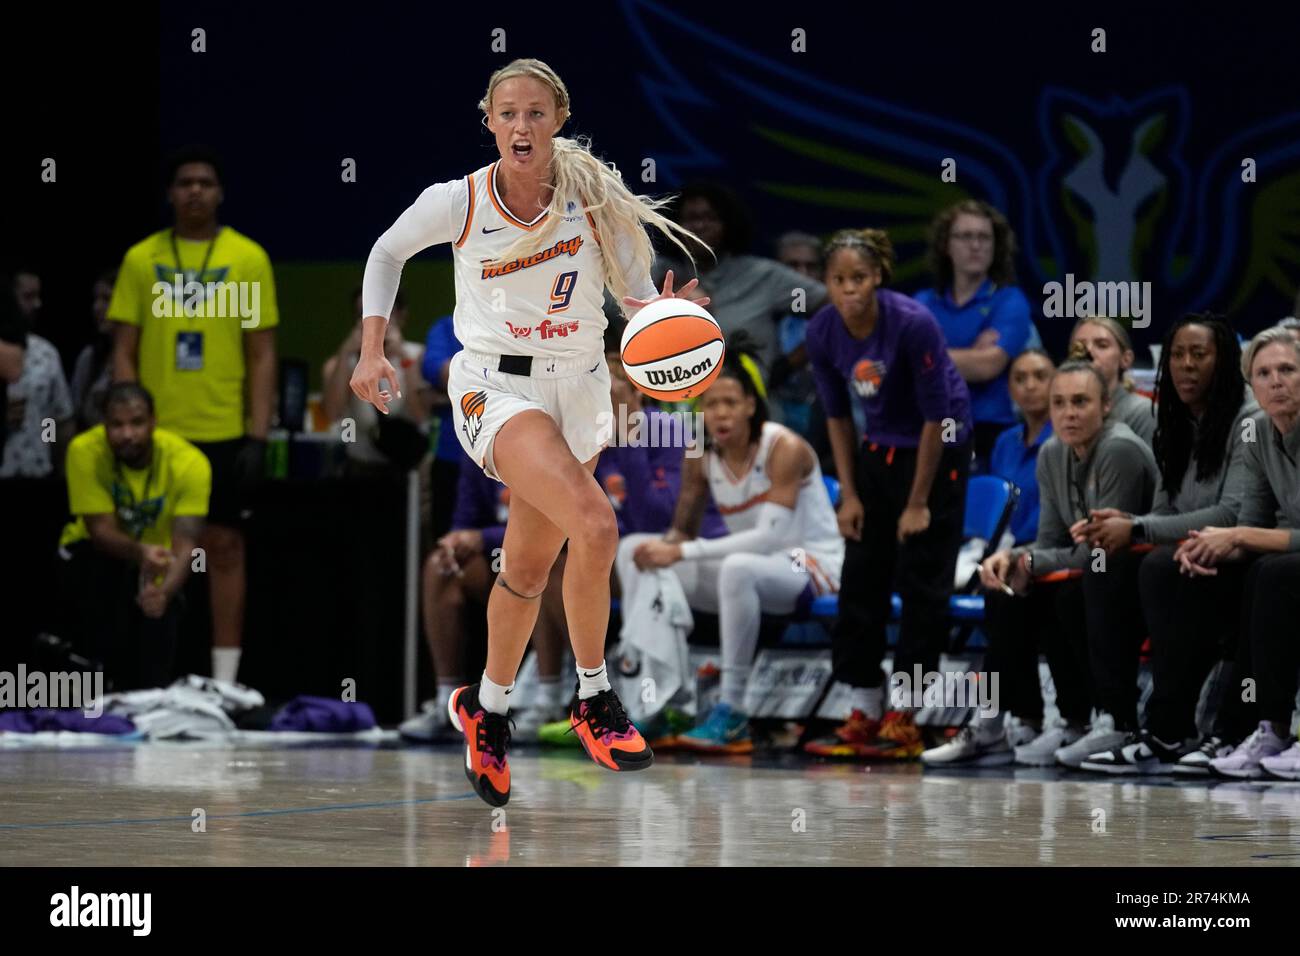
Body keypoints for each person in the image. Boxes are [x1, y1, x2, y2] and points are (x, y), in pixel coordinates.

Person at [352, 57, 709, 807]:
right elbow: (386, 253)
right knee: (596, 522)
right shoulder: (459, 201)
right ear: (488, 120)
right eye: (508, 112)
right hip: (495, 384)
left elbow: (635, 295)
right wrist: (373, 348)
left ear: (559, 119)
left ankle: (487, 708)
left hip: (577, 386)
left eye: (536, 113)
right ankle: (594, 695)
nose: (522, 125)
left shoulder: (597, 203)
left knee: (525, 572)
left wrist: (664, 318)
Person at [921, 361, 1157, 767]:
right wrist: (1013, 559)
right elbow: (1050, 539)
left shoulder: (1119, 448)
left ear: (1105, 406)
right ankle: (1001, 722)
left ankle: (1104, 718)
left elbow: (1106, 547)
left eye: (1081, 402)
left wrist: (1029, 559)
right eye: (1060, 404)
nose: (1069, 413)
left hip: (1131, 570)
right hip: (1082, 566)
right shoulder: (1052, 452)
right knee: (1005, 593)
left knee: (1064, 592)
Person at [109, 145, 279, 685]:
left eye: (205, 182)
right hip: (157, 434)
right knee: (148, 548)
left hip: (224, 430)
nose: (195, 191)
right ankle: (141, 678)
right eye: (184, 182)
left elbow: (262, 354)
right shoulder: (141, 259)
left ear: (220, 192)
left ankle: (224, 683)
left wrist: (257, 435)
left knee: (224, 548)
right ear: (170, 193)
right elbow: (123, 350)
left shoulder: (247, 258)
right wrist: (125, 426)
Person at [622, 343, 843, 753]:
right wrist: (659, 551)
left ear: (751, 407)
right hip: (748, 571)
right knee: (637, 549)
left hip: (811, 566)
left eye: (730, 403)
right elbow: (679, 533)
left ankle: (733, 710)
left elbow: (771, 539)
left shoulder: (784, 448)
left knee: (736, 566)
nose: (720, 413)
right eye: (710, 404)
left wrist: (682, 553)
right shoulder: (701, 457)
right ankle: (662, 700)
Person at [802, 228, 973, 760]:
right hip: (879, 451)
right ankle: (864, 707)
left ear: (877, 277)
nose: (849, 289)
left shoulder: (913, 324)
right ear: (826, 284)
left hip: (938, 448)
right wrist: (850, 494)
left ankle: (907, 715)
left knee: (924, 585)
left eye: (859, 278)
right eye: (838, 280)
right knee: (861, 578)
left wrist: (918, 502)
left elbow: (935, 416)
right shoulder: (823, 330)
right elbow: (836, 415)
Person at [1068, 315, 1257, 773]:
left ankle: (1171, 728)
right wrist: (1127, 525)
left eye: (1199, 354)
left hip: (1240, 557)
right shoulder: (1170, 421)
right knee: (1102, 565)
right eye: (1177, 355)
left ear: (1225, 361)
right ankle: (1117, 718)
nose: (1186, 366)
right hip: (1187, 552)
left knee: (1158, 567)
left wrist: (1136, 528)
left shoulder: (1248, 421)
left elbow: (1232, 513)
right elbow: (1165, 512)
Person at [1174, 327, 1300, 780]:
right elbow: (1256, 521)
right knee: (1189, 572)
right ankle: (1198, 728)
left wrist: (1238, 537)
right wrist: (1207, 548)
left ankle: (1276, 725)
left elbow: (1250, 532)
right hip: (1284, 562)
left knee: (1274, 574)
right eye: (1264, 373)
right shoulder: (1260, 433)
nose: (1276, 381)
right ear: (1252, 385)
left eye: (1287, 369)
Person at [401, 460, 569, 743]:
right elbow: (465, 520)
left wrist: (483, 537)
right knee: (440, 568)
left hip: (551, 556)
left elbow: (555, 523)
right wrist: (456, 544)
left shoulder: (551, 442)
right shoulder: (479, 442)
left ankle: (548, 701)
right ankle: (449, 702)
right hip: (499, 557)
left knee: (536, 565)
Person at [57, 383, 210, 690]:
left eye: (137, 423)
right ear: (104, 425)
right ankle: (94, 690)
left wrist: (163, 593)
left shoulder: (190, 463)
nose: (127, 434)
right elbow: (100, 531)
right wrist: (141, 552)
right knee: (101, 573)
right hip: (93, 552)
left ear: (153, 421)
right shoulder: (84, 451)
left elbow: (187, 542)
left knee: (177, 586)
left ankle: (154, 693)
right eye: (117, 424)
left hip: (161, 559)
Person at [652, 183, 827, 374]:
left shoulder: (762, 275)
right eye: (691, 218)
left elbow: (832, 306)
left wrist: (788, 364)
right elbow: (614, 311)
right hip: (677, 400)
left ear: (728, 224)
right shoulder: (657, 272)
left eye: (711, 218)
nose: (700, 226)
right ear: (674, 225)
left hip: (753, 399)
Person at [915, 200, 1034, 470]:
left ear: (995, 246)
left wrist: (926, 356)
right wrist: (969, 355)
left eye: (984, 237)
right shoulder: (922, 303)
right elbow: (901, 360)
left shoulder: (1009, 301)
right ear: (946, 245)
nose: (976, 245)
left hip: (988, 431)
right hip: (929, 426)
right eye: (965, 236)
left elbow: (987, 366)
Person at [322, 288, 430, 475]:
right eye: (363, 314)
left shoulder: (415, 356)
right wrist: (346, 353)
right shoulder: (342, 363)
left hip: (406, 469)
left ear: (401, 316)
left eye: (382, 312)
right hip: (359, 467)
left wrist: (403, 358)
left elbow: (420, 414)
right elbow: (332, 413)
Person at [989, 349, 1055, 546]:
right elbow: (995, 502)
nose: (1030, 386)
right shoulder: (1005, 441)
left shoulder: (1067, 442)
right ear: (1009, 388)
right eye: (1020, 379)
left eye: (1040, 376)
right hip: (996, 545)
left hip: (1039, 549)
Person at [1068, 316, 1155, 446]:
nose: (1089, 351)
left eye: (1102, 345)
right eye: (1080, 347)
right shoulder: (1066, 413)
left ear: (1125, 359)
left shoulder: (1144, 412)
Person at [421, 313, 465, 541]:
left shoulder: (513, 321)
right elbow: (434, 369)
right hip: (451, 456)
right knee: (445, 541)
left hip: (507, 458)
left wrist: (450, 393)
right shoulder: (446, 327)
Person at [70, 270, 118, 431]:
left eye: (107, 299)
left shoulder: (150, 356)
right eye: (96, 299)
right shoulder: (89, 358)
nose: (97, 307)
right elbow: (64, 417)